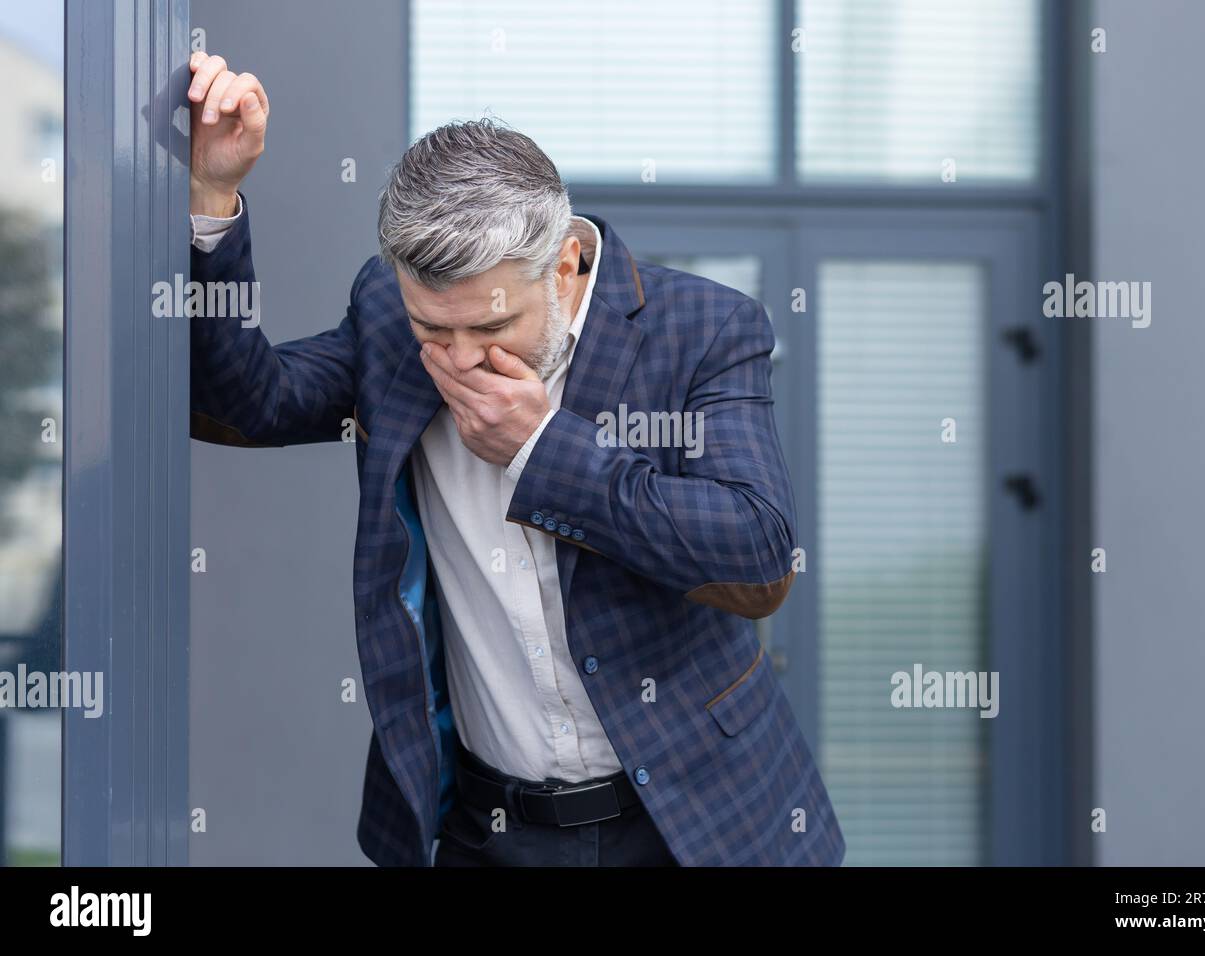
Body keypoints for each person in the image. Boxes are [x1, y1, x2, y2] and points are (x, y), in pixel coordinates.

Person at [185, 50, 845, 867]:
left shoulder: (703, 330)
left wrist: (541, 450)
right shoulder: (389, 322)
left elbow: (757, 556)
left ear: (564, 263)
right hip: (489, 830)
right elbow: (242, 406)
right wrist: (213, 196)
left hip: (690, 820)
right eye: (436, 330)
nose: (459, 359)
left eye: (491, 329)